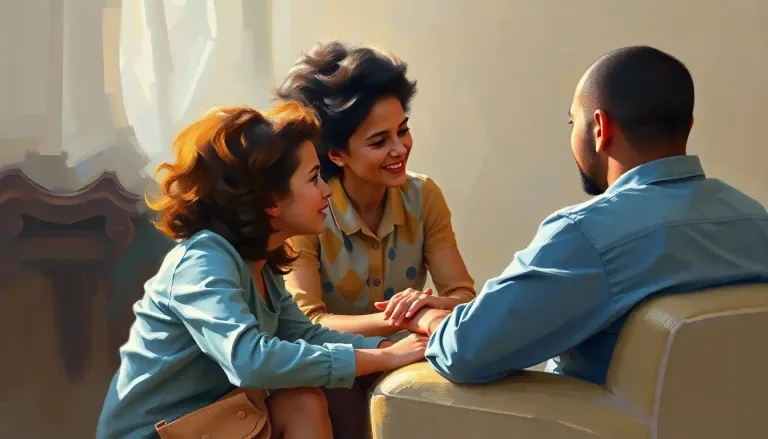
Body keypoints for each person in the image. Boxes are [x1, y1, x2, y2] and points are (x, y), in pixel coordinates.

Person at [404, 45, 768, 385]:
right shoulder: (756, 219)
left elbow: (465, 351)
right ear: (688, 126)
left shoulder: (588, 234)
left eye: (572, 123)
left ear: (600, 128)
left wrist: (431, 319)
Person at [95, 102, 428, 439]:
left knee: (302, 400)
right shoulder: (202, 261)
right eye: (314, 178)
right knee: (304, 399)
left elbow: (306, 335)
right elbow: (249, 361)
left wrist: (391, 348)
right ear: (270, 200)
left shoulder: (259, 263)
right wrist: (381, 358)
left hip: (221, 425)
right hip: (160, 435)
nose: (327, 190)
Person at [274, 41, 477, 438]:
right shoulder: (308, 212)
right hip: (334, 371)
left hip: (407, 366)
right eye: (379, 141)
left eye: (403, 130)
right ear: (336, 154)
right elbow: (307, 323)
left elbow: (464, 297)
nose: (400, 149)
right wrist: (404, 319)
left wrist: (431, 304)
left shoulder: (424, 196)